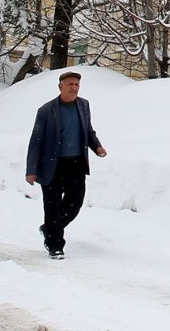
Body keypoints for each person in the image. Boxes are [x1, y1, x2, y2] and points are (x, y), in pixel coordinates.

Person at [25, 70, 107, 259]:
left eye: (77, 84)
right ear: (60, 86)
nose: (74, 88)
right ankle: (55, 245)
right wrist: (31, 170)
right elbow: (36, 140)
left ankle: (49, 228)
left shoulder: (83, 105)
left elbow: (88, 131)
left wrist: (97, 147)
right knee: (52, 206)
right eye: (70, 84)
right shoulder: (46, 110)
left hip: (76, 163)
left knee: (74, 203)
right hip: (53, 165)